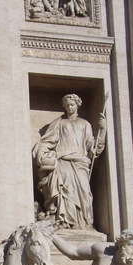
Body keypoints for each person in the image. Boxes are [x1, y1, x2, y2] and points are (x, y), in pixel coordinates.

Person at [32, 93, 105, 230]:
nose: (69, 108)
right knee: (65, 191)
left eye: (72, 105)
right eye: (67, 106)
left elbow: (93, 148)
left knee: (84, 192)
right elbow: (47, 141)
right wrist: (42, 153)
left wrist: (103, 129)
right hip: (63, 161)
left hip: (80, 163)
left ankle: (83, 223)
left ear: (77, 105)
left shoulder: (85, 124)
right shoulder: (59, 123)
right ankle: (63, 220)